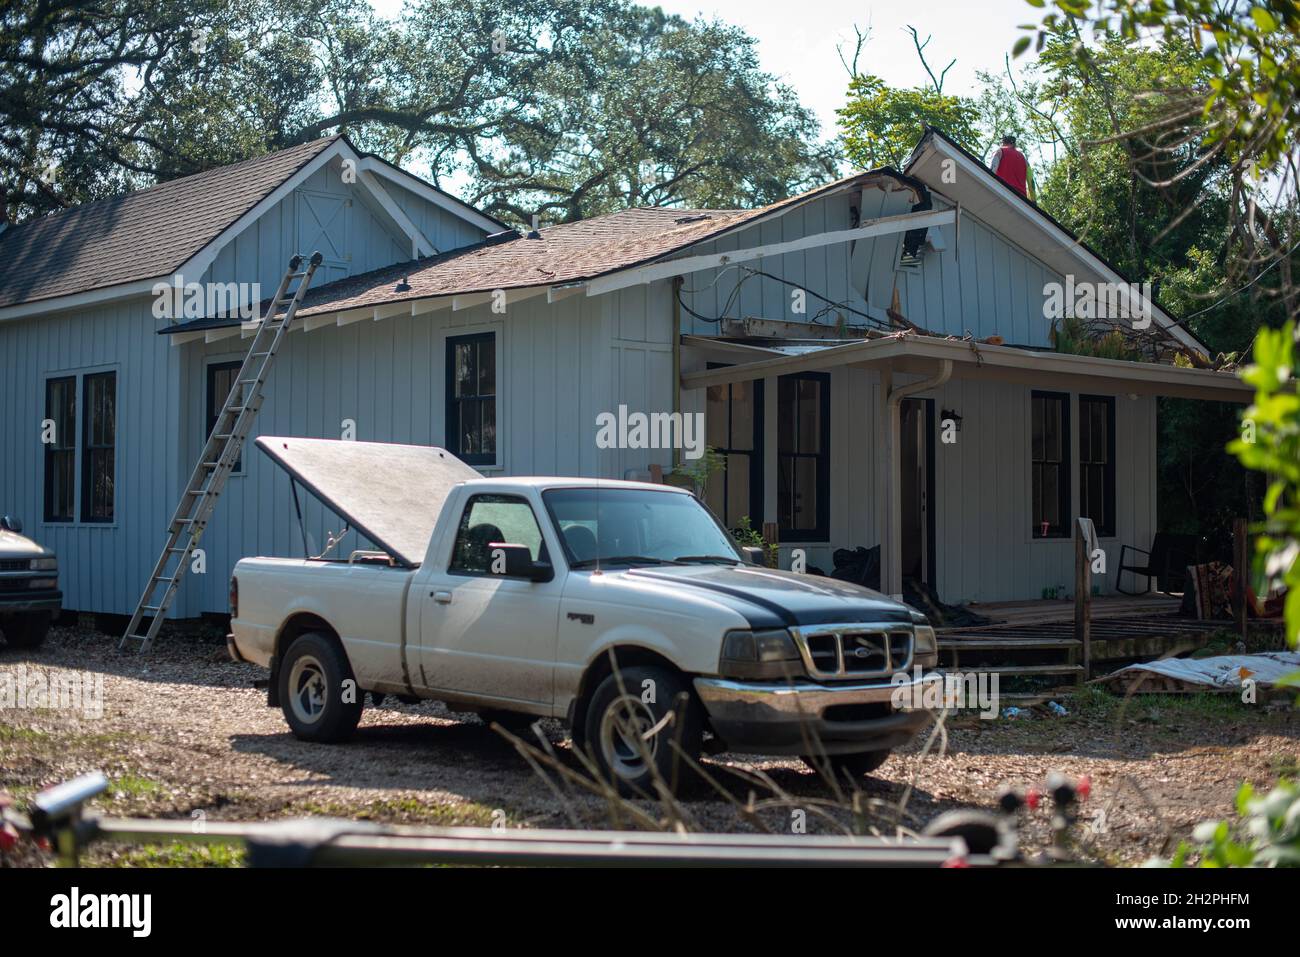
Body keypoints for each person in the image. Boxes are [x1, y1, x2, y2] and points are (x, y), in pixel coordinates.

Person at [990, 134, 1036, 201]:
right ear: (1014, 144)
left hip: (1002, 191)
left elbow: (992, 170)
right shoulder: (1024, 159)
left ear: (1004, 143)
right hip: (1021, 199)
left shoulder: (1000, 152)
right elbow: (1031, 181)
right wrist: (1034, 201)